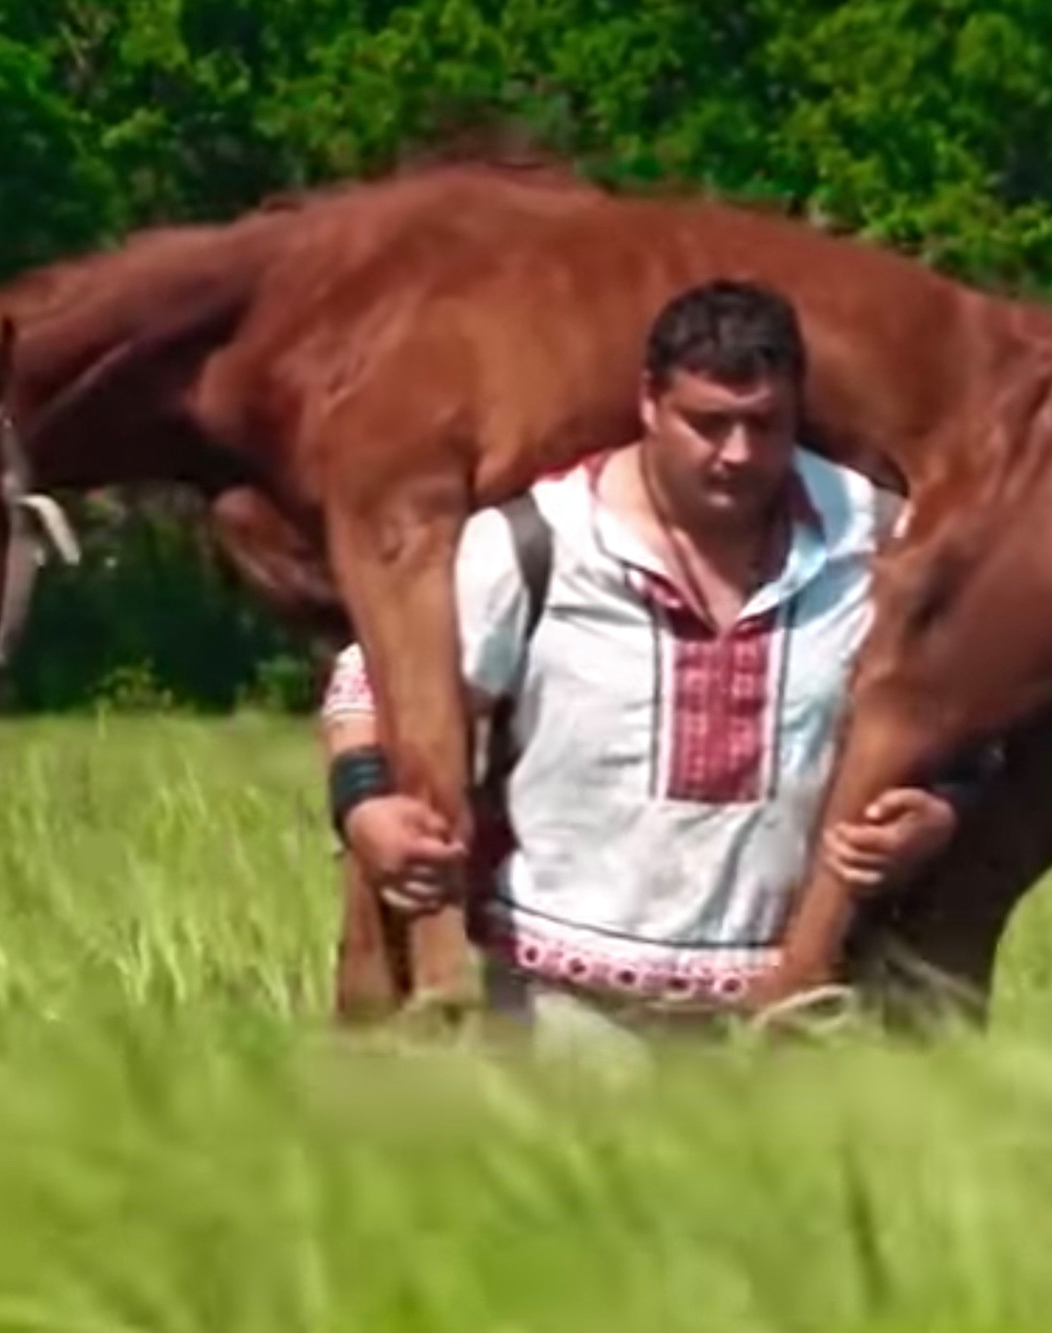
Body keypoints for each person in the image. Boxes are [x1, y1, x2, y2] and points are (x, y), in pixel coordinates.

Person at [320, 278, 994, 1066]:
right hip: (560, 1018)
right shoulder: (536, 545)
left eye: (764, 424)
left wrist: (944, 813)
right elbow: (371, 679)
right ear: (649, 402)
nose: (738, 453)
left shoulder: (880, 544)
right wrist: (365, 806)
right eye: (709, 424)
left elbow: (967, 719)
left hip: (799, 1017)